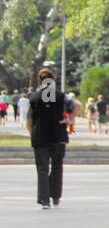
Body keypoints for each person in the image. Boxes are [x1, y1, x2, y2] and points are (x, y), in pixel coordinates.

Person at [26, 69, 79, 208]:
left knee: (42, 169)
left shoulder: (34, 97)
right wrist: (70, 119)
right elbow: (77, 105)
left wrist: (33, 133)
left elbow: (29, 121)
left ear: (39, 81)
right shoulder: (61, 96)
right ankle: (55, 196)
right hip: (58, 135)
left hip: (40, 137)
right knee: (57, 167)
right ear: (53, 80)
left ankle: (44, 200)